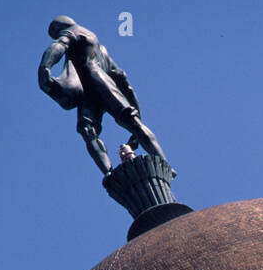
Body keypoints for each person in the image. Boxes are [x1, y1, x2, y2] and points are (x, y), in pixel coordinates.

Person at [37, 16, 168, 176]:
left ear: (62, 26)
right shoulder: (101, 49)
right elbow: (122, 78)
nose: (58, 35)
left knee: (122, 123)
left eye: (56, 31)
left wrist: (45, 67)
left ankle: (163, 164)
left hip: (98, 81)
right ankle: (109, 174)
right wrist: (137, 112)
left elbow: (58, 46)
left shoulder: (75, 31)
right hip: (89, 92)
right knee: (89, 130)